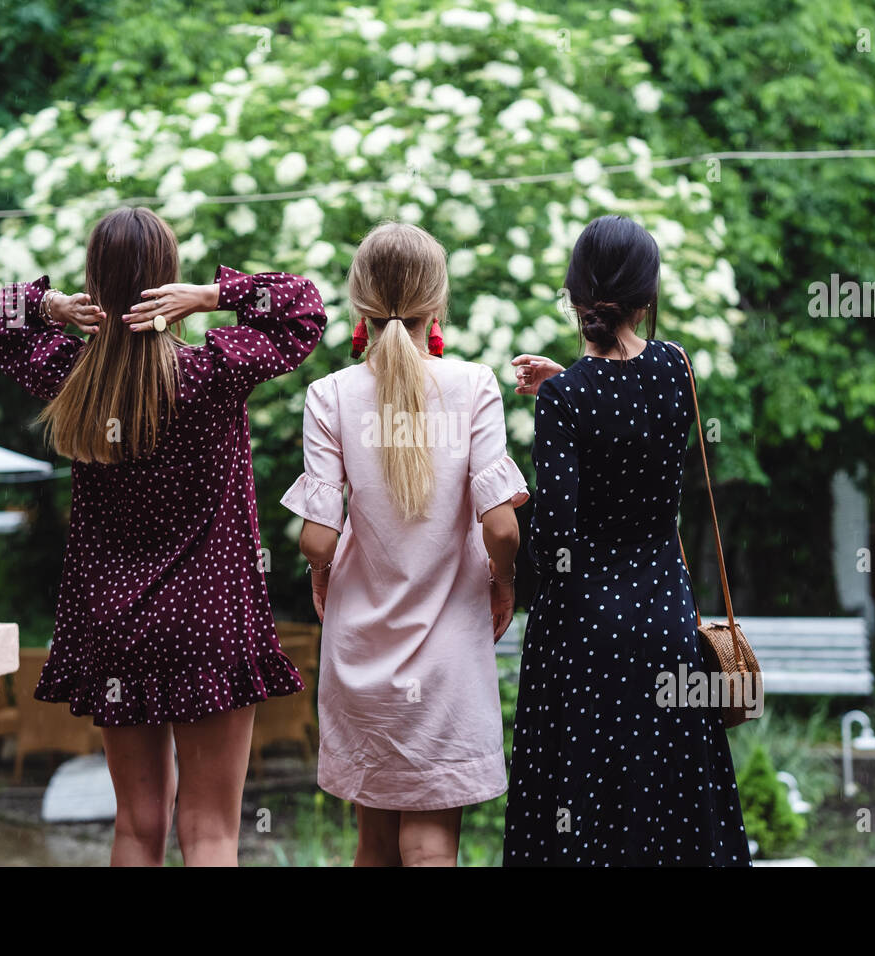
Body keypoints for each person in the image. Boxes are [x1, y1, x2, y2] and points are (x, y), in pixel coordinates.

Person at [0, 206, 326, 866]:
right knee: (211, 829)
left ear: (95, 283)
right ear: (167, 279)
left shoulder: (72, 377)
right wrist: (214, 295)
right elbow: (302, 306)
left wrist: (51, 306)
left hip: (115, 626)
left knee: (137, 825)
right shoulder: (213, 371)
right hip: (207, 621)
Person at [503, 214, 750, 866]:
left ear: (577, 295)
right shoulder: (675, 368)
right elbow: (632, 420)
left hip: (585, 635)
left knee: (584, 810)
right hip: (665, 621)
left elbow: (555, 535)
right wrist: (568, 385)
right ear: (646, 295)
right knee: (664, 803)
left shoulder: (566, 403)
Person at [280, 222, 529, 866]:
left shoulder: (329, 394)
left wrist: (321, 574)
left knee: (374, 842)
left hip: (361, 645)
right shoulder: (474, 387)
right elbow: (501, 526)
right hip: (448, 655)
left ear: (360, 303)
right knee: (430, 843)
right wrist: (502, 580)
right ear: (437, 304)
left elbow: (316, 537)